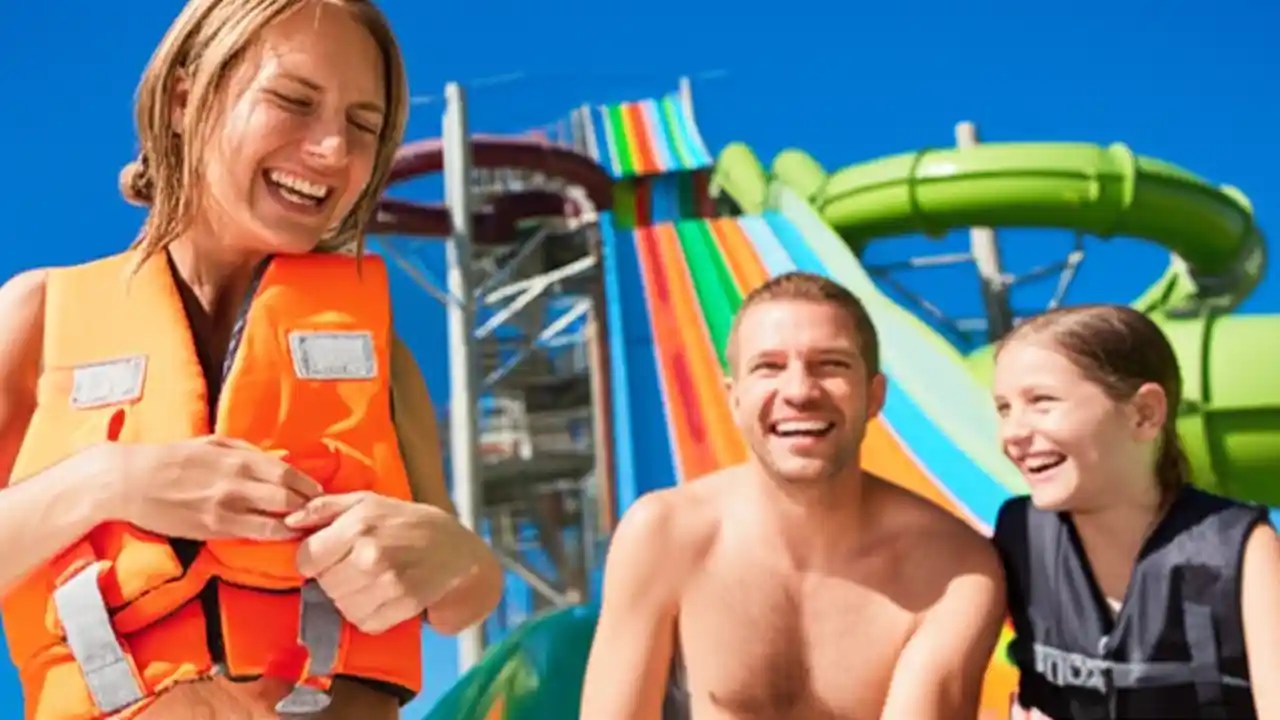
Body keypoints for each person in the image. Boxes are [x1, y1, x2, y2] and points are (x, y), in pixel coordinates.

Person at [0, 1, 504, 718]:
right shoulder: (38, 317)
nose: (332, 149)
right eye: (293, 101)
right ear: (184, 99)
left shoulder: (376, 352)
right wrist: (107, 481)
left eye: (363, 126)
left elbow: (464, 598)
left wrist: (456, 554)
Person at [580, 271, 1008, 719]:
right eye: (769, 367)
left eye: (831, 364)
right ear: (735, 398)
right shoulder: (666, 535)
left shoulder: (953, 570)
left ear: (874, 396)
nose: (800, 391)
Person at [990, 304, 1280, 719]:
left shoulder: (1242, 549)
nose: (1013, 432)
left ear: (1144, 414)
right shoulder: (1016, 537)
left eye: (1042, 401)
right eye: (1004, 408)